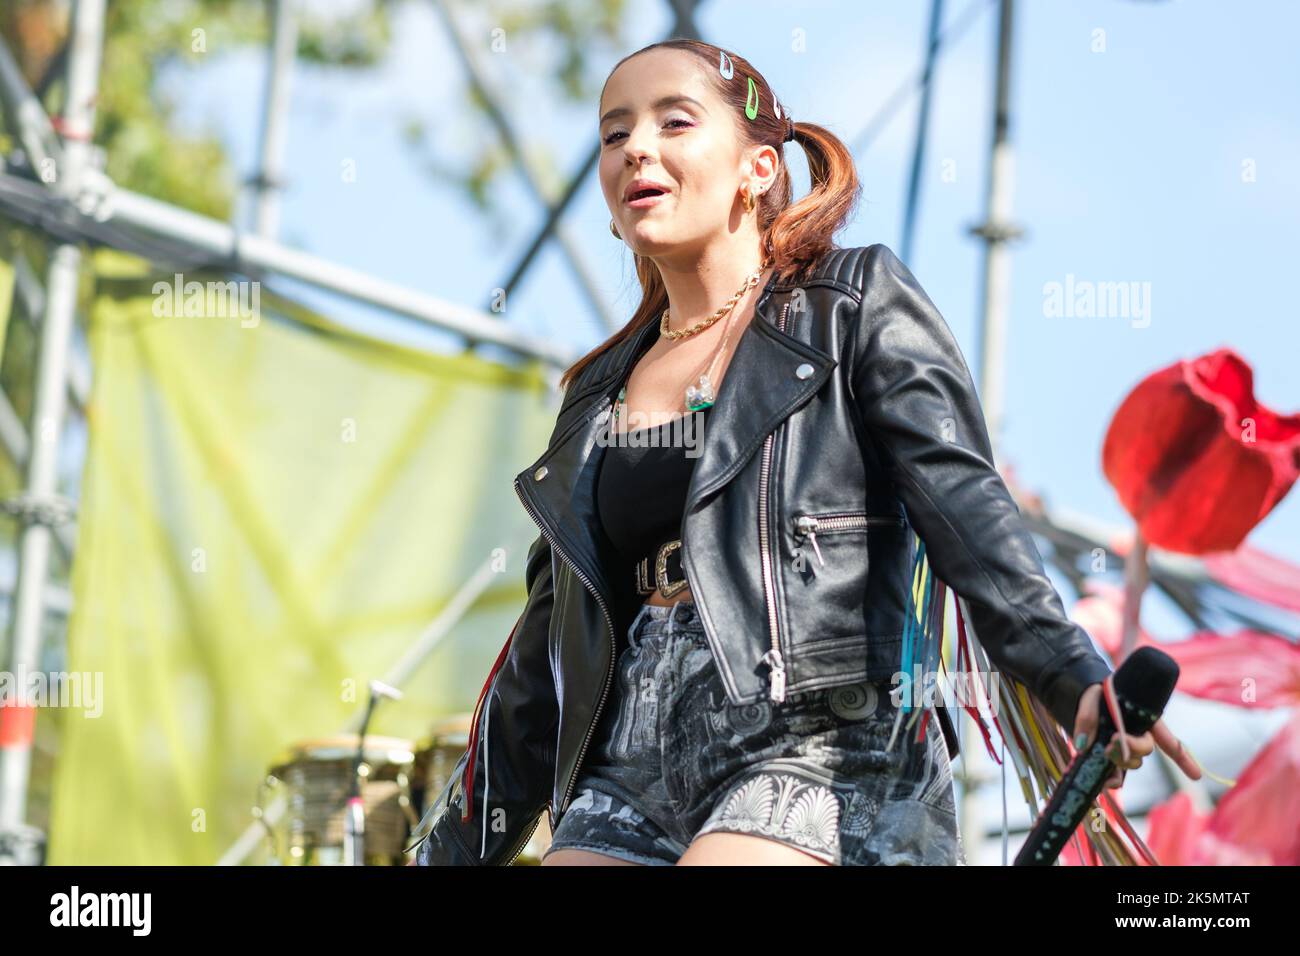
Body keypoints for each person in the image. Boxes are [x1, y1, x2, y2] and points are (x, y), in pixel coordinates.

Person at [414, 38, 1200, 868]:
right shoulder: (596, 394)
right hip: (629, 755)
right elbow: (545, 663)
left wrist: (1069, 672)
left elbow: (966, 506)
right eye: (614, 136)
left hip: (820, 738)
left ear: (758, 168)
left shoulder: (850, 305)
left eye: (673, 122)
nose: (637, 148)